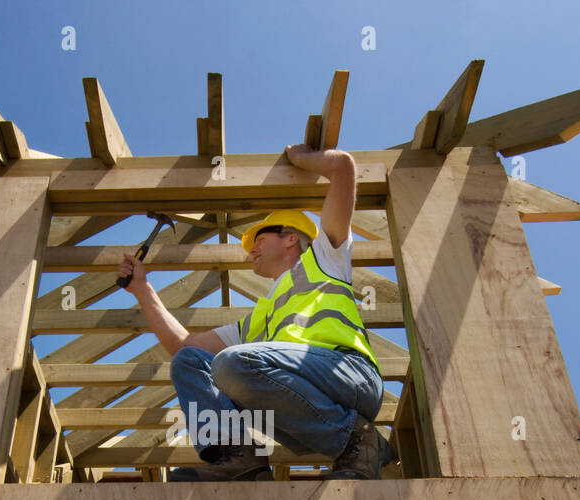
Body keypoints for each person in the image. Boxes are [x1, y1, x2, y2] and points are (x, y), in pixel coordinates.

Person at [116, 144, 394, 481]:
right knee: (190, 361)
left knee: (234, 362)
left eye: (258, 240)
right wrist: (142, 290)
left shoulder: (324, 259)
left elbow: (343, 169)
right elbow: (184, 345)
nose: (251, 250)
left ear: (290, 238)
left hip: (350, 375)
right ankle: (238, 457)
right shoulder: (262, 318)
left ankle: (359, 441)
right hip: (303, 402)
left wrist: (301, 158)